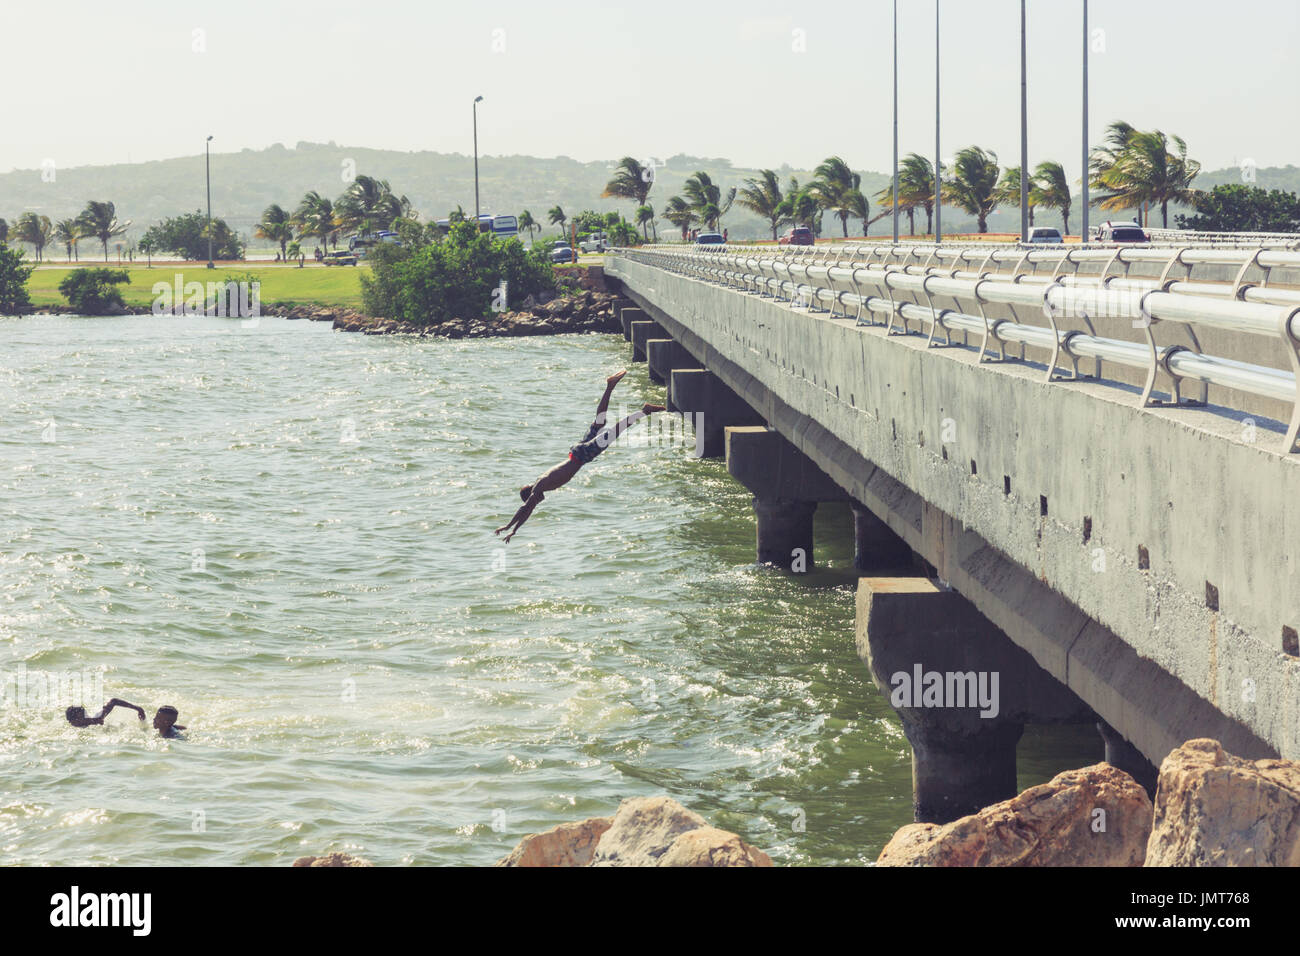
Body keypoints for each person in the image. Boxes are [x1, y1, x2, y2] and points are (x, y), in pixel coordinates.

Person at [495, 369, 664, 543]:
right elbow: (527, 508)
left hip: (581, 456)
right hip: (576, 453)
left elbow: (525, 509)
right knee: (599, 422)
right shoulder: (540, 481)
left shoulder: (538, 488)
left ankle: (645, 411)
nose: (538, 502)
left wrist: (511, 528)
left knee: (614, 432)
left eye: (535, 502)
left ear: (532, 496)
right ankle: (610, 386)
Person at [66, 698, 145, 727]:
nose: (86, 719)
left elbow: (114, 701)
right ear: (72, 722)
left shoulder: (97, 718)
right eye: (81, 718)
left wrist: (137, 708)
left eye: (85, 716)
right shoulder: (69, 731)